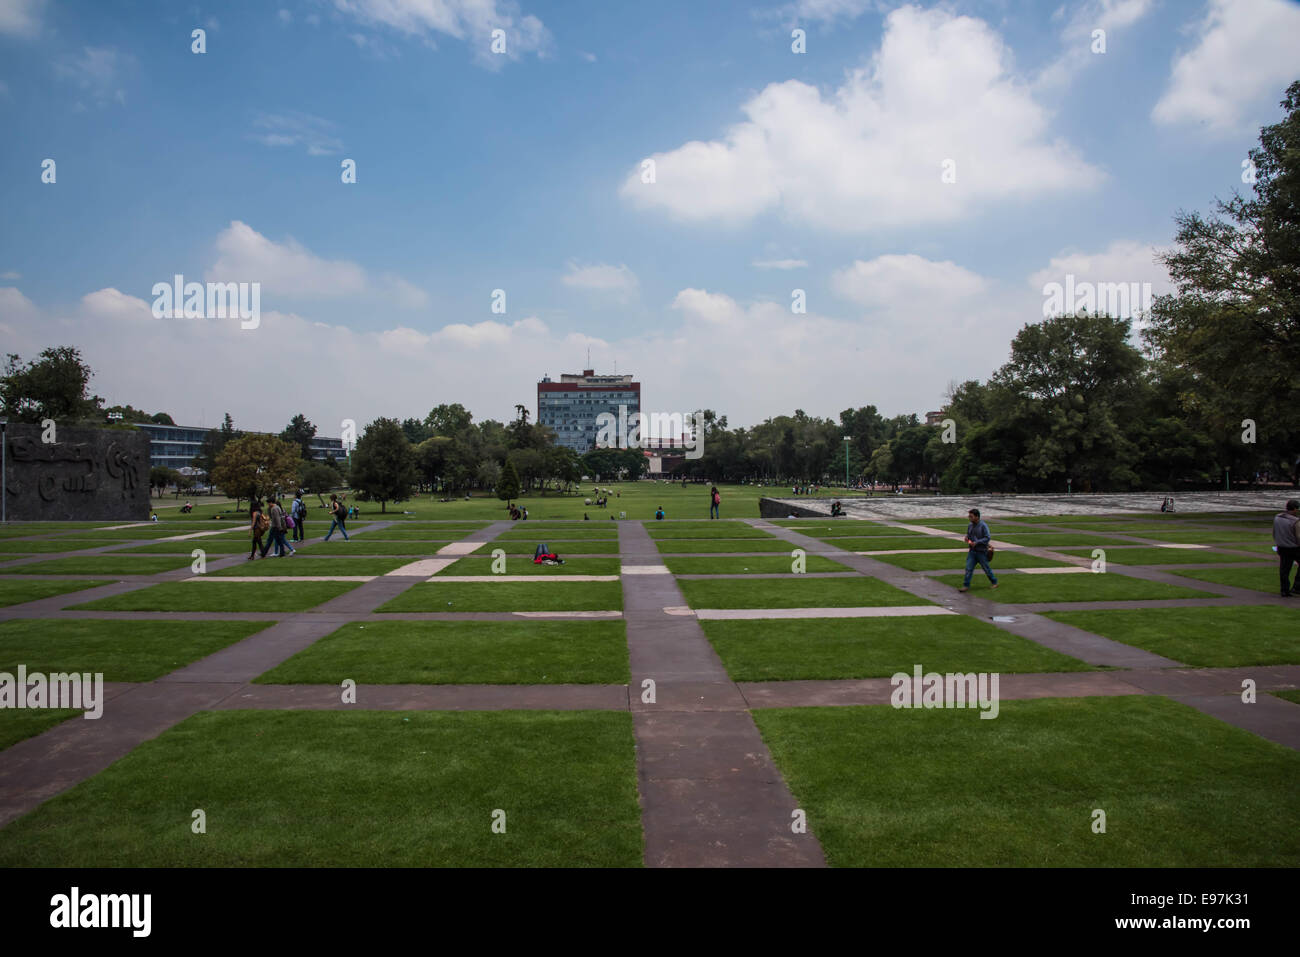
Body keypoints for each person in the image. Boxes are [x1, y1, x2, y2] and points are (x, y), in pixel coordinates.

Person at [958, 507, 998, 592]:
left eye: (971, 516)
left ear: (977, 517)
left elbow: (987, 538)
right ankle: (966, 585)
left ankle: (994, 582)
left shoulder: (983, 525)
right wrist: (967, 538)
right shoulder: (970, 526)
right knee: (968, 568)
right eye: (969, 516)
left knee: (986, 568)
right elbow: (969, 535)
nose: (969, 518)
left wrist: (977, 542)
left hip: (982, 552)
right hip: (972, 551)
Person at [1273, 499, 1300, 597]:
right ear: (1295, 509)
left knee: (1284, 569)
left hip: (1281, 546)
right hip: (1293, 548)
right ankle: (1297, 586)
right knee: (1286, 568)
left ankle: (1284, 590)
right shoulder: (1295, 521)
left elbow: (1274, 532)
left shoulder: (1277, 517)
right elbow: (1298, 537)